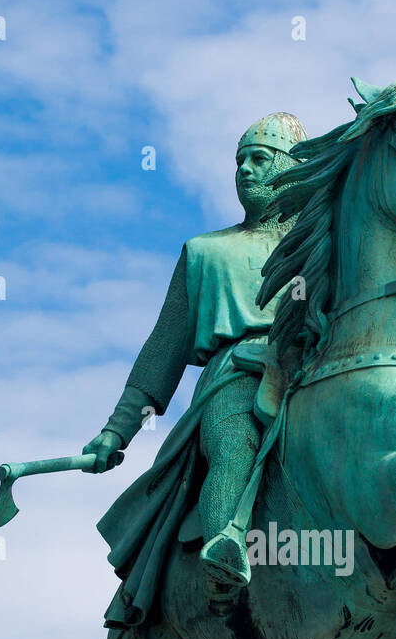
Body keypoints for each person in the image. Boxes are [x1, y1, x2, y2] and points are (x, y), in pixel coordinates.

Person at [83, 112, 307, 612]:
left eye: (260, 159)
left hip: (316, 369)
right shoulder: (206, 252)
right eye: (240, 161)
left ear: (291, 168)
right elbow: (162, 353)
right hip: (236, 377)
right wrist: (117, 432)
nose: (246, 170)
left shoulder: (322, 245)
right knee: (233, 442)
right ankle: (224, 548)